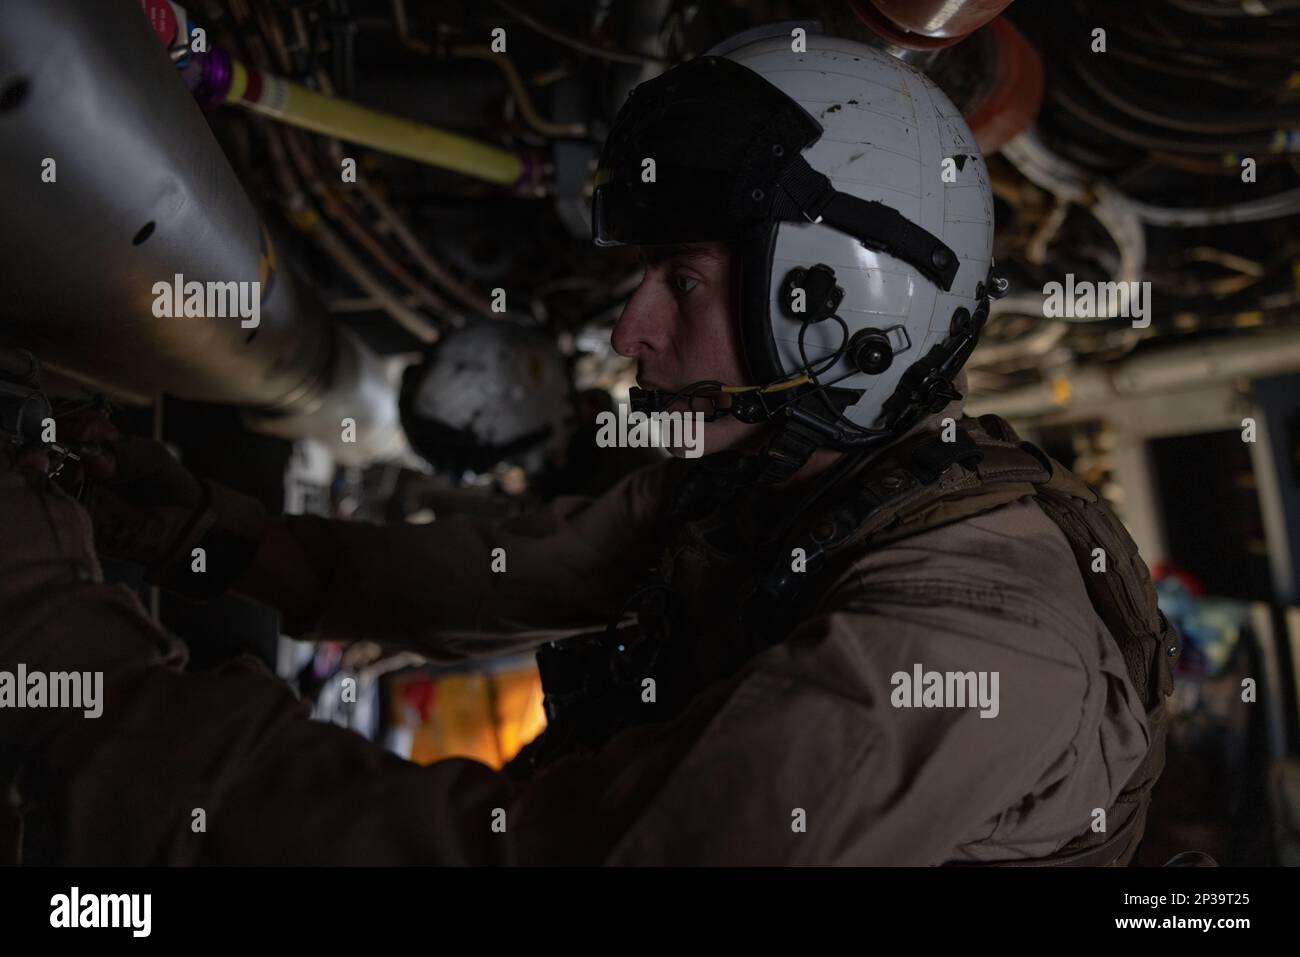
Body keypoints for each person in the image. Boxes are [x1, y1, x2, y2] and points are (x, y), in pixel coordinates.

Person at [0, 32, 1176, 865]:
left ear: (844, 312)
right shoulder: (790, 485)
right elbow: (487, 577)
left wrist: (53, 647)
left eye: (682, 281)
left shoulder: (970, 645)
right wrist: (208, 534)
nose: (629, 332)